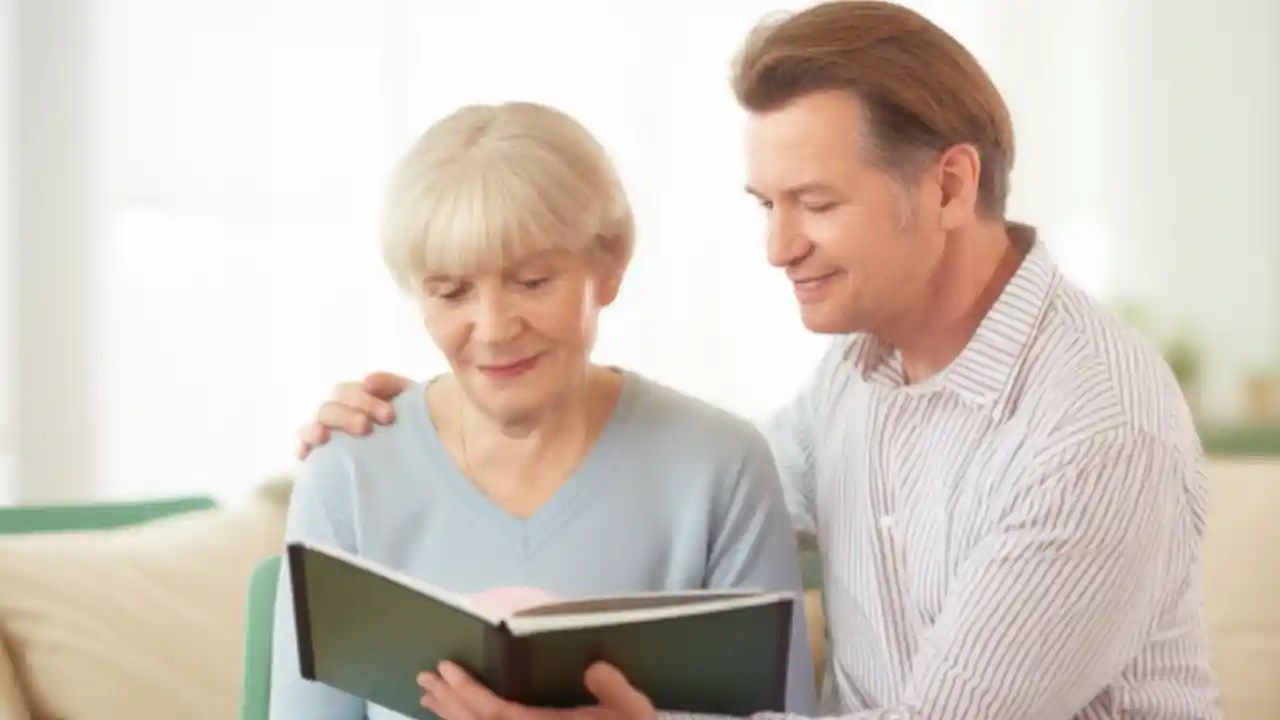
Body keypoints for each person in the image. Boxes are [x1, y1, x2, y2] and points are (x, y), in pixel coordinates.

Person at [299, 2, 1221, 719]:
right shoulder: (863, 371)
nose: (778, 247)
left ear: (948, 185)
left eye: (814, 203)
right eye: (764, 204)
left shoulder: (1096, 433)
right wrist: (446, 414)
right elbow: (695, 488)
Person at [270, 101, 817, 719]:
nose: (495, 329)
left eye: (532, 282)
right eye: (451, 292)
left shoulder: (721, 466)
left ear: (610, 265)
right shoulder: (347, 474)